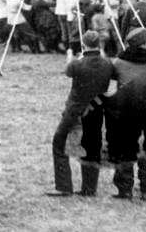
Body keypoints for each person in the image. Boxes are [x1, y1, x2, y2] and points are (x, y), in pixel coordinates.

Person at [46, 30, 113, 197]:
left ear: (83, 45)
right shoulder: (108, 64)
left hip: (74, 112)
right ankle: (89, 188)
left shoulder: (77, 63)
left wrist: (70, 55)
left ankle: (63, 186)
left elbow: (67, 71)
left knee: (59, 144)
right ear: (99, 45)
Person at [108, 26, 146, 200]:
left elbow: (112, 79)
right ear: (144, 43)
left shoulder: (119, 62)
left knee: (125, 147)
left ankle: (125, 188)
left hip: (127, 109)